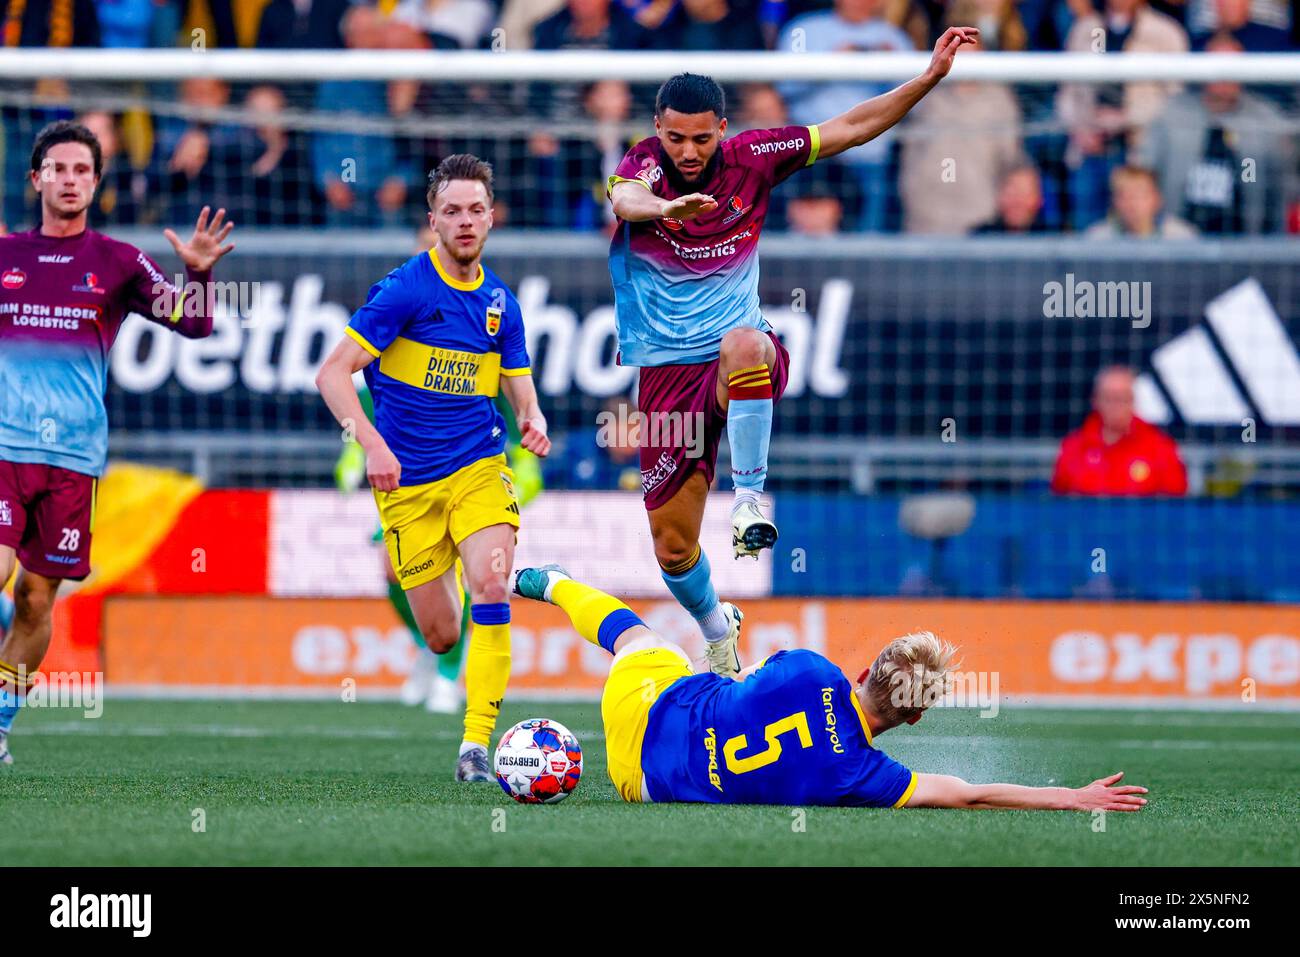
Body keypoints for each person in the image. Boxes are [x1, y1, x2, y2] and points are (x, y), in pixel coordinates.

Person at [606, 27, 978, 677]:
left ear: (723, 127)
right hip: (666, 377)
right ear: (657, 130)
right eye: (675, 138)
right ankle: (717, 628)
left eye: (701, 137)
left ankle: (750, 500)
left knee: (745, 340)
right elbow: (624, 197)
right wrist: (665, 204)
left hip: (735, 359)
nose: (688, 151)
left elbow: (853, 126)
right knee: (672, 548)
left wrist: (926, 79)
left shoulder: (756, 155)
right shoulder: (643, 166)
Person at [511, 564, 1151, 812]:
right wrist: (1074, 796)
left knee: (640, 641)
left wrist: (730, 671)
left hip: (646, 711)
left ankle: (557, 584)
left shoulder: (812, 669)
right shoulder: (866, 776)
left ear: (867, 669)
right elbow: (968, 796)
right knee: (720, 682)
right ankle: (717, 645)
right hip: (643, 789)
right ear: (916, 720)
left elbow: (748, 690)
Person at [0, 120, 234, 765]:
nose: (70, 180)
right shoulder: (4, 257)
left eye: (82, 170)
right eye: (59, 168)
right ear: (37, 179)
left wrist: (199, 274)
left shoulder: (119, 262)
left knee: (34, 597)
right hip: (5, 448)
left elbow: (194, 323)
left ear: (96, 182)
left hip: (75, 459)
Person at [315, 154, 551, 783]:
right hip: (408, 487)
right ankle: (438, 667)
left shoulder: (502, 302)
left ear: (492, 218)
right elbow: (332, 374)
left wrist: (533, 416)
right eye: (452, 211)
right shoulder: (404, 290)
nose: (465, 221)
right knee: (443, 635)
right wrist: (370, 443)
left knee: (492, 587)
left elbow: (518, 382)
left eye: (476, 210)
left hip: (478, 466)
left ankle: (476, 746)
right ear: (433, 221)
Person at [1051, 366, 1189, 496]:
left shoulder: (1161, 448)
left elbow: (1174, 508)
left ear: (1134, 400)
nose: (1116, 406)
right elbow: (1060, 504)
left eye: (1122, 398)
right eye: (1109, 398)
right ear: (1095, 400)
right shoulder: (1074, 447)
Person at [1084, 164, 1197, 238]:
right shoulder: (1096, 238)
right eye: (1123, 195)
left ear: (1157, 199)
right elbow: (1071, 274)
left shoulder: (1182, 237)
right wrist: (1070, 276)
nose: (1131, 203)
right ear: (1114, 201)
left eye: (1139, 194)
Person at [971, 163, 1047, 233]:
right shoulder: (980, 239)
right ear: (999, 197)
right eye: (1011, 194)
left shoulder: (1052, 237)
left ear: (1039, 200)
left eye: (1024, 194)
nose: (1017, 202)